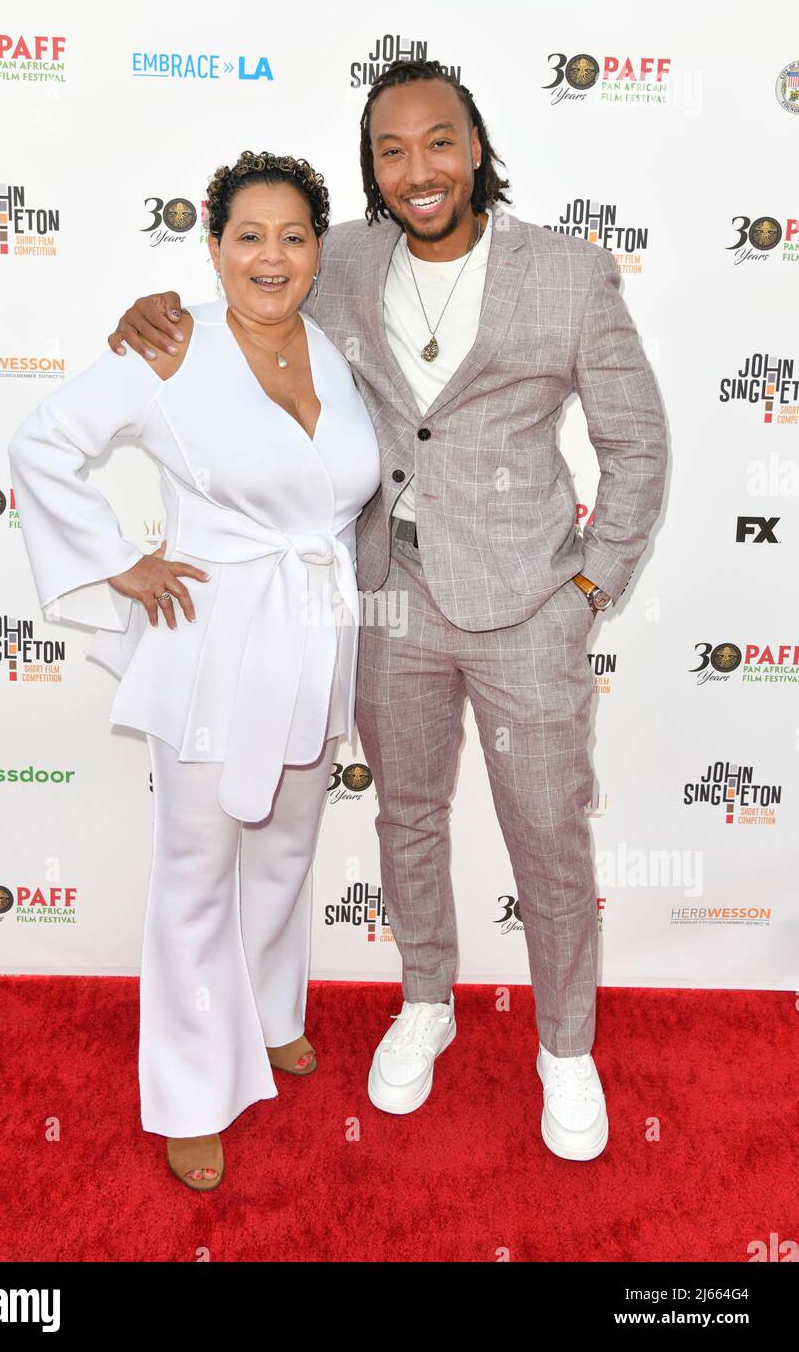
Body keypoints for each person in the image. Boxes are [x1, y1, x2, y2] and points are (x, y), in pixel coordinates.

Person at [106, 60, 669, 1163]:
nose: (419, 170)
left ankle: (565, 1048)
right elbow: (249, 287)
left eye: (438, 142)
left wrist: (588, 588)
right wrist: (150, 307)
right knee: (407, 814)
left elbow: (635, 444)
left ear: (475, 145)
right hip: (386, 606)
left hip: (527, 610)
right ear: (372, 170)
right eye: (392, 151)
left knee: (547, 835)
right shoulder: (341, 261)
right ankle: (425, 1000)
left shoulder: (564, 274)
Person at [7, 151, 382, 1191]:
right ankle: (184, 1088)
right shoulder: (169, 345)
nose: (271, 255)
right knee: (193, 876)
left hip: (315, 638)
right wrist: (118, 561)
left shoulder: (333, 343)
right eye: (247, 235)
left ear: (320, 250)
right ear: (211, 247)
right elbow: (42, 442)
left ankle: (267, 1013)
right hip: (213, 647)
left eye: (293, 235)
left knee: (287, 845)